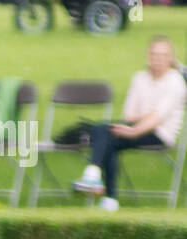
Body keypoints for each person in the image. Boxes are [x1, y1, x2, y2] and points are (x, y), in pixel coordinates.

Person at [72, 35, 186, 210]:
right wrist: (143, 118)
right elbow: (129, 113)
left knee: (105, 135)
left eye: (163, 55)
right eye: (154, 54)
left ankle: (98, 183)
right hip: (138, 127)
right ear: (148, 55)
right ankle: (104, 194)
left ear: (170, 58)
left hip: (160, 134)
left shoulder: (175, 82)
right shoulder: (140, 77)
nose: (158, 59)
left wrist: (134, 130)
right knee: (103, 131)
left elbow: (157, 119)